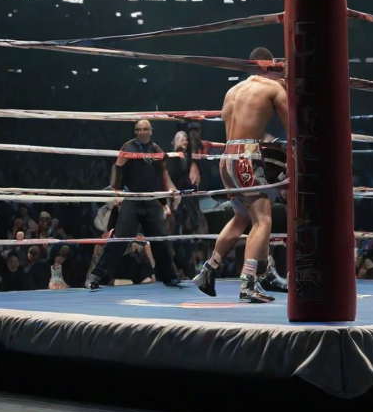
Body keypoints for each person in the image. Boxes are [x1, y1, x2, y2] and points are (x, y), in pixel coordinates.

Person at [194, 47, 289, 302]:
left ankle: (208, 270)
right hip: (247, 157)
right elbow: (296, 129)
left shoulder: (233, 91)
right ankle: (248, 283)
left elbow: (230, 121)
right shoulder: (274, 89)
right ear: (269, 66)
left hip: (227, 158)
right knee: (263, 219)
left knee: (241, 216)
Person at [85, 119, 181, 290]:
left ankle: (169, 277)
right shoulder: (128, 148)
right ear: (135, 131)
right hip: (132, 198)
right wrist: (116, 190)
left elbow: (164, 174)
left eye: (146, 129)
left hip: (151, 199)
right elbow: (117, 168)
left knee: (160, 239)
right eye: (140, 129)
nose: (143, 132)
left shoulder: (157, 150)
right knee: (120, 239)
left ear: (151, 131)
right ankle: (96, 275)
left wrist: (172, 190)